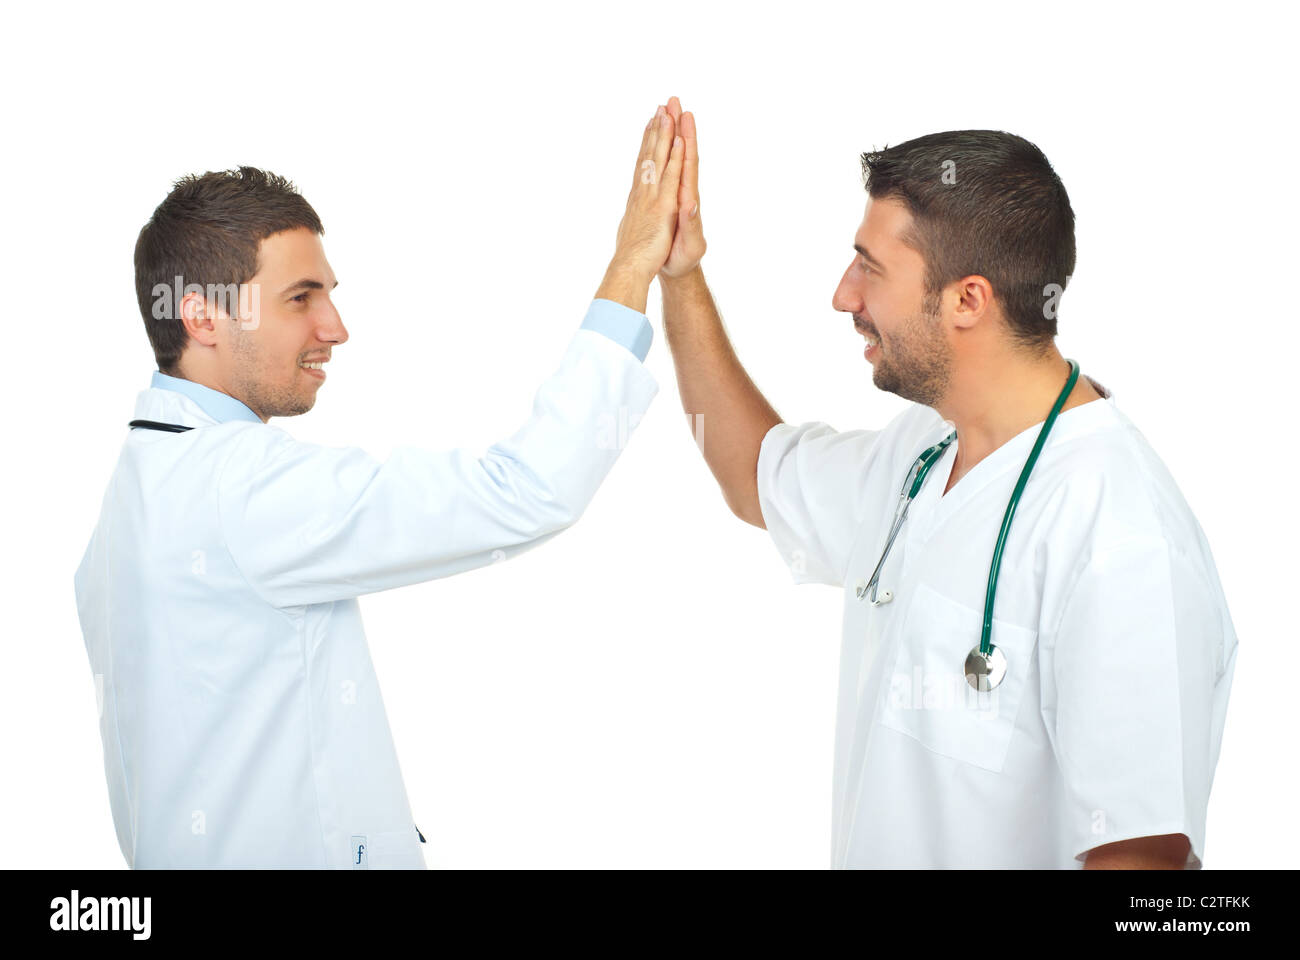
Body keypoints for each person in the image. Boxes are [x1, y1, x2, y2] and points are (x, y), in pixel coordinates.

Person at [73, 103, 688, 869]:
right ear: (201, 317)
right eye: (302, 297)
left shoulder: (134, 494)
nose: (335, 327)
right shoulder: (240, 487)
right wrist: (633, 264)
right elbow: (526, 487)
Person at [655, 97, 1237, 869]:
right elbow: (751, 473)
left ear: (969, 299)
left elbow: (1141, 865)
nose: (843, 296)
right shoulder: (925, 453)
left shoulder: (1118, 534)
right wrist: (681, 272)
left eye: (871, 267)